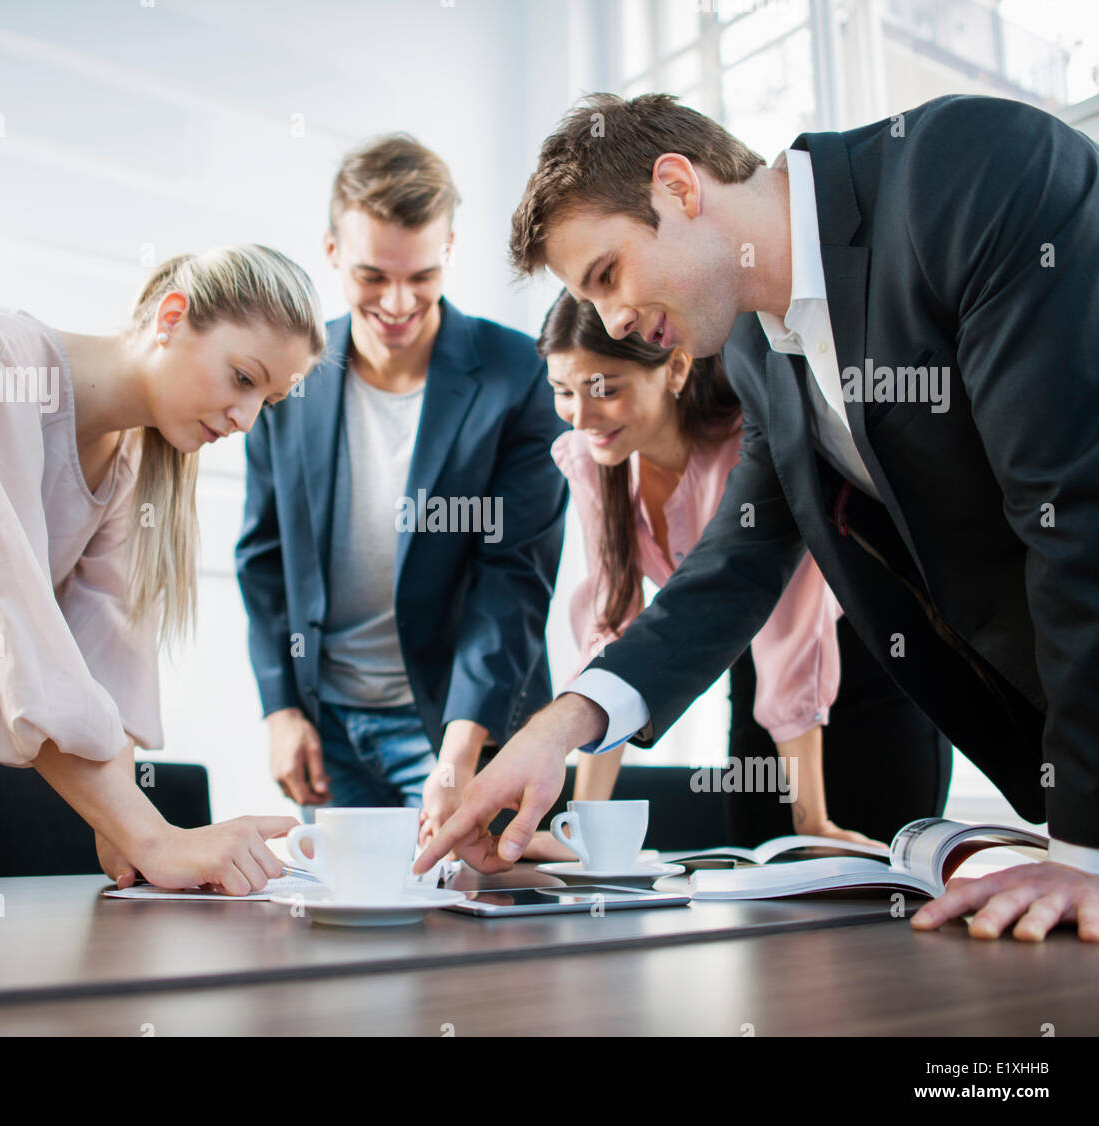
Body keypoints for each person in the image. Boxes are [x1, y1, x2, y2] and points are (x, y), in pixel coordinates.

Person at [418, 93, 1099, 943]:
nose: (615, 321)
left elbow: (1076, 505)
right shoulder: (751, 348)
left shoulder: (962, 168)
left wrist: (1085, 851)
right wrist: (563, 725)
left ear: (677, 186)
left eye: (606, 276)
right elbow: (738, 561)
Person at [0, 246, 324, 895]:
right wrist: (151, 838)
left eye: (267, 402)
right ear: (171, 317)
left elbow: (105, 662)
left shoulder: (135, 462)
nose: (246, 421)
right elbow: (4, 630)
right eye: (244, 378)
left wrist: (125, 830)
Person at [521, 291, 950, 862]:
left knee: (875, 898)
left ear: (674, 368)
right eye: (563, 392)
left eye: (606, 389)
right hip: (758, 683)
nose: (582, 415)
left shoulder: (748, 446)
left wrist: (811, 820)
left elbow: (789, 633)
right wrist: (581, 830)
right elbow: (610, 642)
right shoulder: (596, 459)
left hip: (870, 667)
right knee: (760, 885)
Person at [235, 134, 567, 841]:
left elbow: (513, 580)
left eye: (420, 275)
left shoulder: (516, 376)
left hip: (466, 724)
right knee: (351, 936)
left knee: (494, 933)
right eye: (371, 276)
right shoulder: (287, 378)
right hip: (331, 730)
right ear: (330, 251)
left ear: (449, 244)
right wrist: (281, 708)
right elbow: (262, 557)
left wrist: (459, 752)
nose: (396, 302)